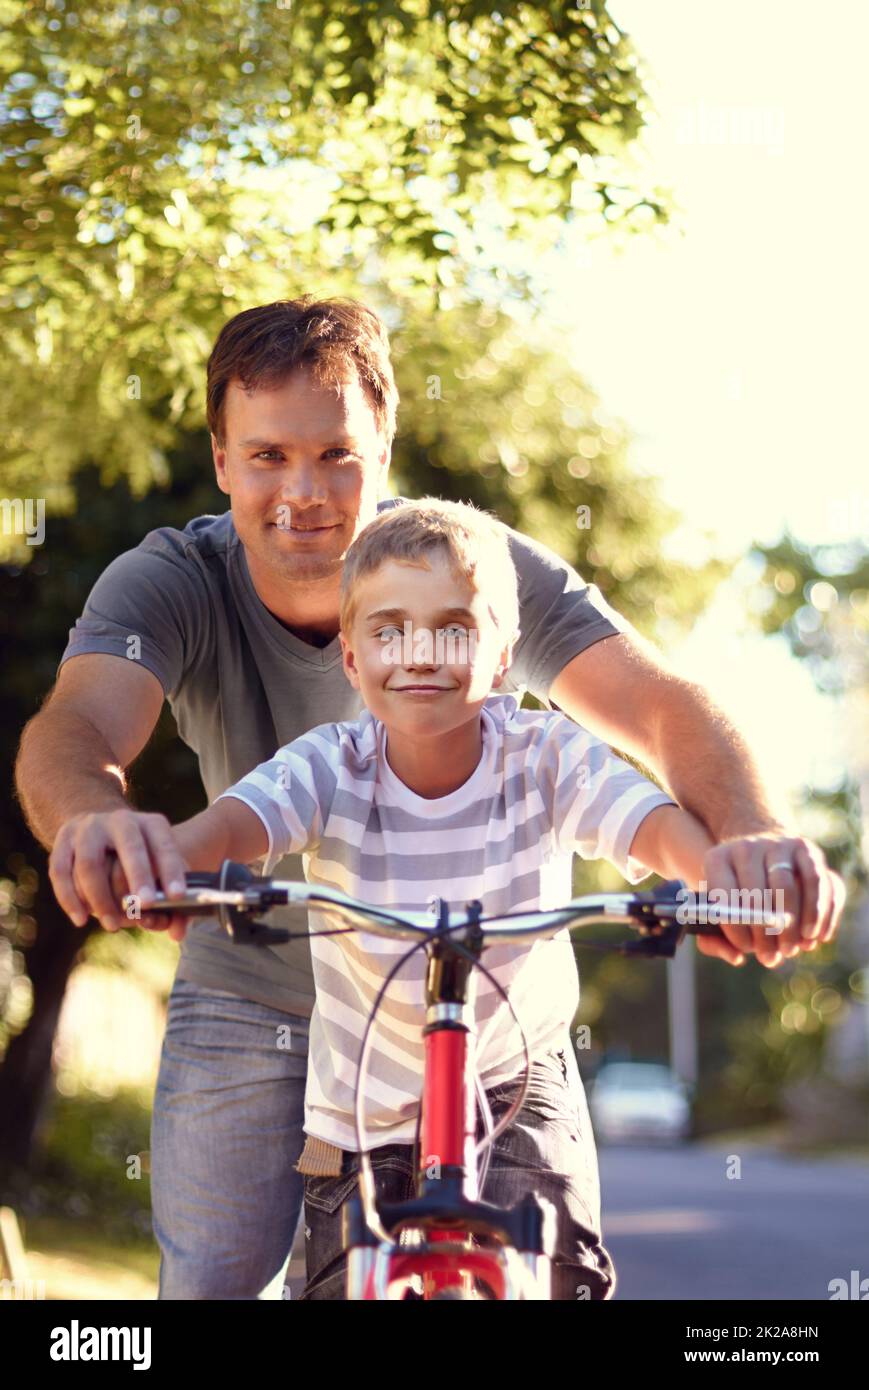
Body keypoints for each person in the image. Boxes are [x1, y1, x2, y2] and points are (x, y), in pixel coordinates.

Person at [16, 297, 844, 1299]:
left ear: (386, 444)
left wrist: (744, 842)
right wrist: (102, 825)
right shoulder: (175, 581)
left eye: (336, 454)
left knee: (554, 1264)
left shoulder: (470, 569)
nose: (304, 493)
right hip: (254, 986)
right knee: (216, 1282)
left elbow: (657, 708)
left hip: (491, 1016)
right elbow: (77, 728)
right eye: (267, 455)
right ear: (222, 458)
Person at [112, 497, 721, 1299]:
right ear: (352, 660)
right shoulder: (330, 764)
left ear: (503, 656)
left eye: (455, 629)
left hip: (511, 1075)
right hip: (360, 1099)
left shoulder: (541, 754)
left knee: (557, 1270)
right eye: (388, 629)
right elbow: (228, 827)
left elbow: (654, 826)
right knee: (340, 1281)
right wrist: (161, 866)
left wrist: (720, 877)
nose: (420, 653)